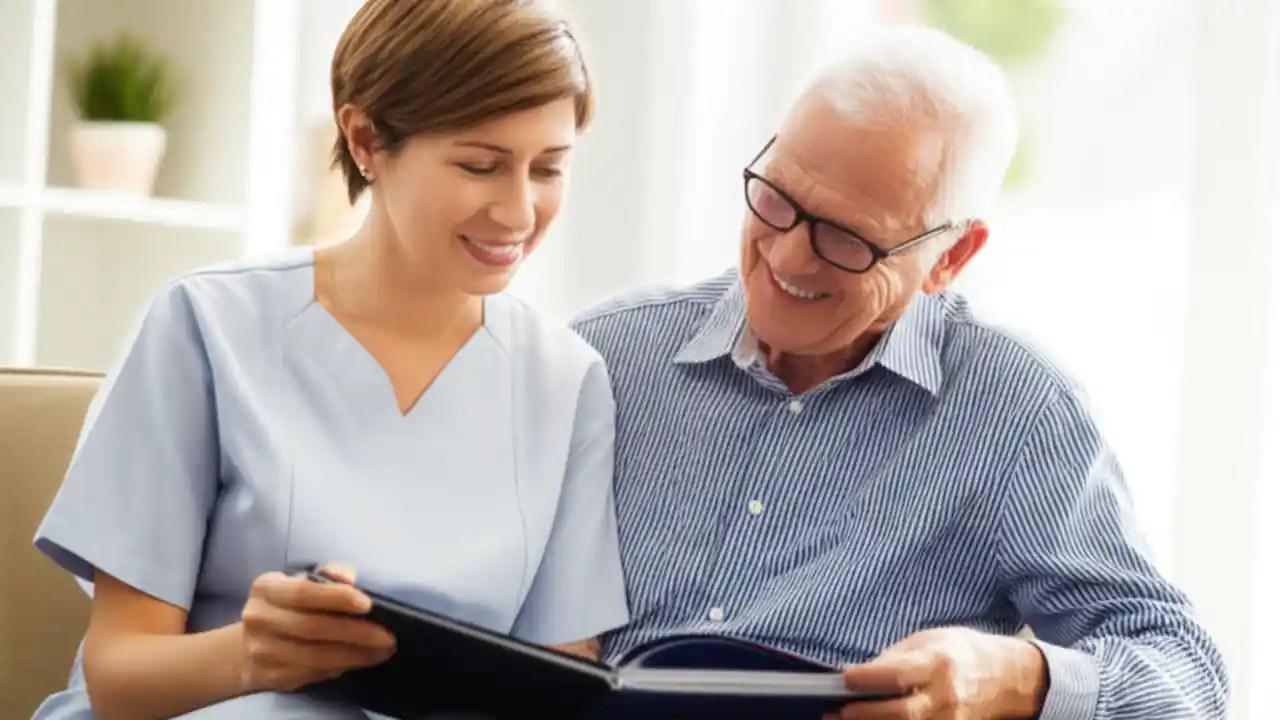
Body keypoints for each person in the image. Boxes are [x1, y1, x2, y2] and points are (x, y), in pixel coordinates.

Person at [572, 26, 1228, 720]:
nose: (789, 260)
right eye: (776, 199)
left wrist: (1020, 678)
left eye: (846, 238)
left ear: (952, 257)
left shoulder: (1017, 411)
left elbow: (1186, 679)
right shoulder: (605, 357)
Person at [32, 1, 627, 718]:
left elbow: (556, 689)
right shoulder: (209, 326)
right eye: (480, 165)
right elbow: (121, 680)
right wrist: (253, 654)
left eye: (549, 170)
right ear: (367, 139)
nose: (519, 211)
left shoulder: (569, 383)